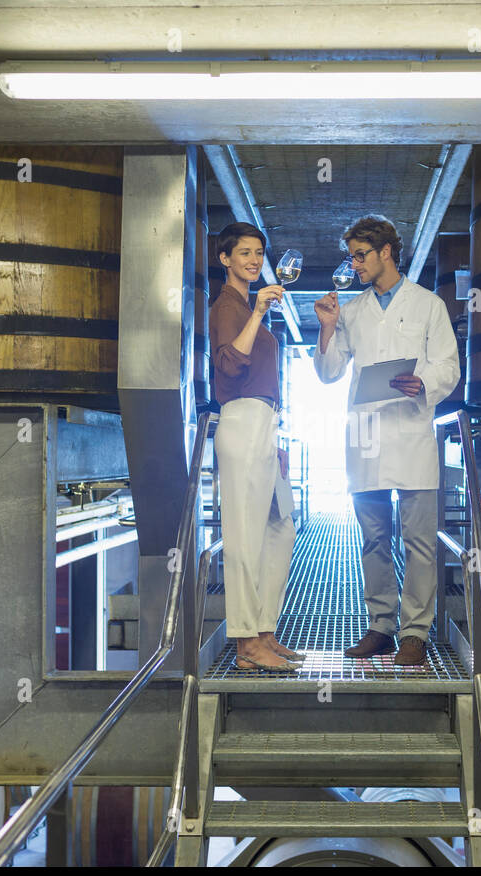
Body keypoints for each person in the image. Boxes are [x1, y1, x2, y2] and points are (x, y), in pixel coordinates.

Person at [313, 214, 461, 666]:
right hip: (367, 438)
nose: (354, 264)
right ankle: (381, 625)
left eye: (361, 255)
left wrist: (423, 382)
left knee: (419, 541)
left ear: (386, 253)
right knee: (374, 539)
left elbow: (449, 368)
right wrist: (325, 325)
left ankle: (415, 631)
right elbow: (328, 372)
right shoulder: (351, 311)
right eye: (351, 256)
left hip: (412, 431)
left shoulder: (428, 305)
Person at [209, 222, 303, 672]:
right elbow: (229, 364)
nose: (253, 260)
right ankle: (246, 642)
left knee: (281, 526)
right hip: (241, 421)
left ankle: (265, 630)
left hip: (265, 426)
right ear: (224, 259)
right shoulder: (227, 306)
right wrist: (258, 313)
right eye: (243, 252)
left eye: (259, 253)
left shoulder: (246, 305)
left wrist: (277, 439)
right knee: (244, 537)